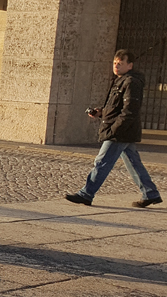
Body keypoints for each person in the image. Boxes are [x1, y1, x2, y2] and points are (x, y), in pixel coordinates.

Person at [65, 49, 161, 208]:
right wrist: (101, 112)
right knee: (133, 163)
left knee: (102, 162)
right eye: (115, 63)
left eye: (120, 63)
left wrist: (115, 129)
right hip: (122, 130)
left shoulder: (131, 82)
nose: (116, 66)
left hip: (120, 131)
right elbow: (115, 107)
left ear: (130, 65)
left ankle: (86, 194)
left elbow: (129, 110)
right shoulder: (120, 80)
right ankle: (150, 193)